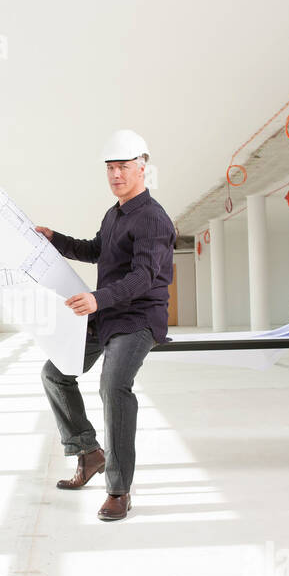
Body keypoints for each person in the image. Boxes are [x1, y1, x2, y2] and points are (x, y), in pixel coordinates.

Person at [34, 130, 176, 522]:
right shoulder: (114, 214)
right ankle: (89, 452)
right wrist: (55, 239)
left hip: (140, 317)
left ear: (142, 168)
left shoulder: (153, 219)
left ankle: (119, 489)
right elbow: (97, 250)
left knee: (113, 386)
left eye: (123, 167)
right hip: (110, 313)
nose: (116, 175)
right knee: (55, 373)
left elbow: (145, 276)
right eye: (110, 168)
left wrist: (98, 299)